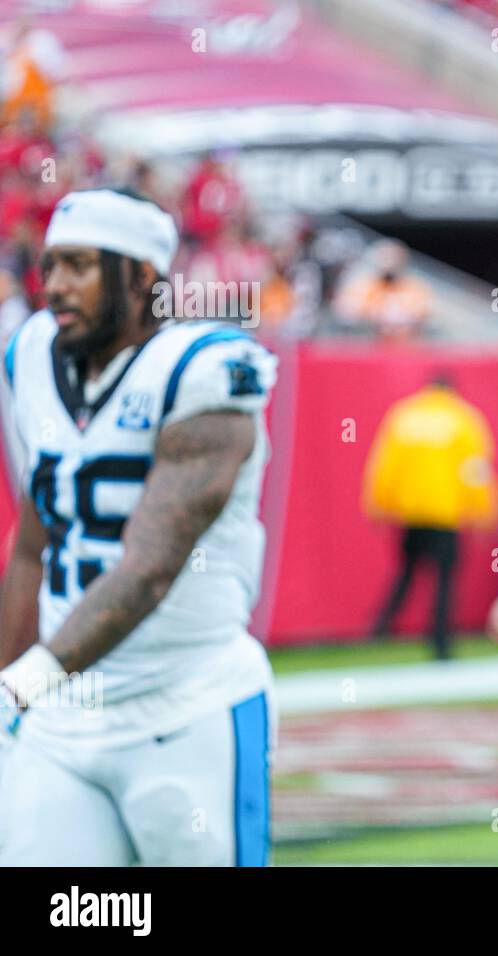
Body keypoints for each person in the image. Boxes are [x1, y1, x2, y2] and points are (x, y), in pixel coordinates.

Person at [0, 188, 279, 865]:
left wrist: (22, 683)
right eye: (49, 265)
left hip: (186, 707)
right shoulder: (30, 354)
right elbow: (36, 542)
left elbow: (150, 566)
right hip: (61, 719)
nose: (55, 286)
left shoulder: (207, 370)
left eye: (78, 266)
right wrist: (12, 690)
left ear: (140, 275)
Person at [361, 378, 498, 659]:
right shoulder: (463, 418)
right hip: (445, 513)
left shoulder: (405, 415)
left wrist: (378, 503)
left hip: (411, 512)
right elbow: (475, 469)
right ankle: (440, 642)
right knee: (445, 580)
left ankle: (379, 630)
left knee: (406, 573)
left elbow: (385, 463)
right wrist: (483, 510)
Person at [333, 239, 436, 340]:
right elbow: (347, 311)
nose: (390, 263)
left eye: (394, 258)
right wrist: (375, 315)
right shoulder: (363, 285)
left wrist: (399, 318)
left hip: (406, 346)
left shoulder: (415, 287)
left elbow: (425, 313)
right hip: (369, 343)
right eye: (385, 258)